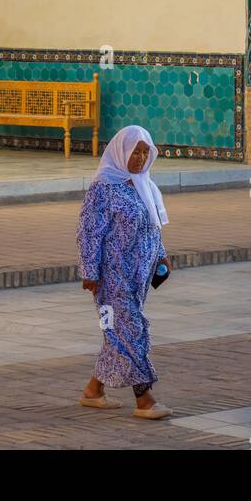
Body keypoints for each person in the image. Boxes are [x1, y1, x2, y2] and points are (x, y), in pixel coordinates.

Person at [76, 124, 171, 419]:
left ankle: (94, 391)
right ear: (121, 152)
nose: (141, 158)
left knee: (117, 333)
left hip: (138, 276)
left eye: (145, 152)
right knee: (132, 330)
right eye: (135, 152)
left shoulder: (145, 185)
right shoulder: (104, 187)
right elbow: (88, 232)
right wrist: (90, 271)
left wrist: (162, 257)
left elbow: (152, 227)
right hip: (111, 276)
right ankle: (145, 399)